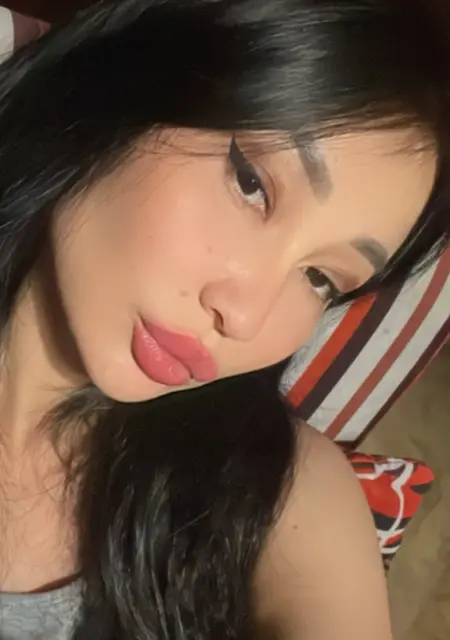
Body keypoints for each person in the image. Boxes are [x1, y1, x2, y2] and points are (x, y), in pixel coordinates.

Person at [0, 0, 448, 638]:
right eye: (251, 184)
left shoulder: (284, 494)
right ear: (125, 78)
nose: (244, 316)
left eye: (320, 278)